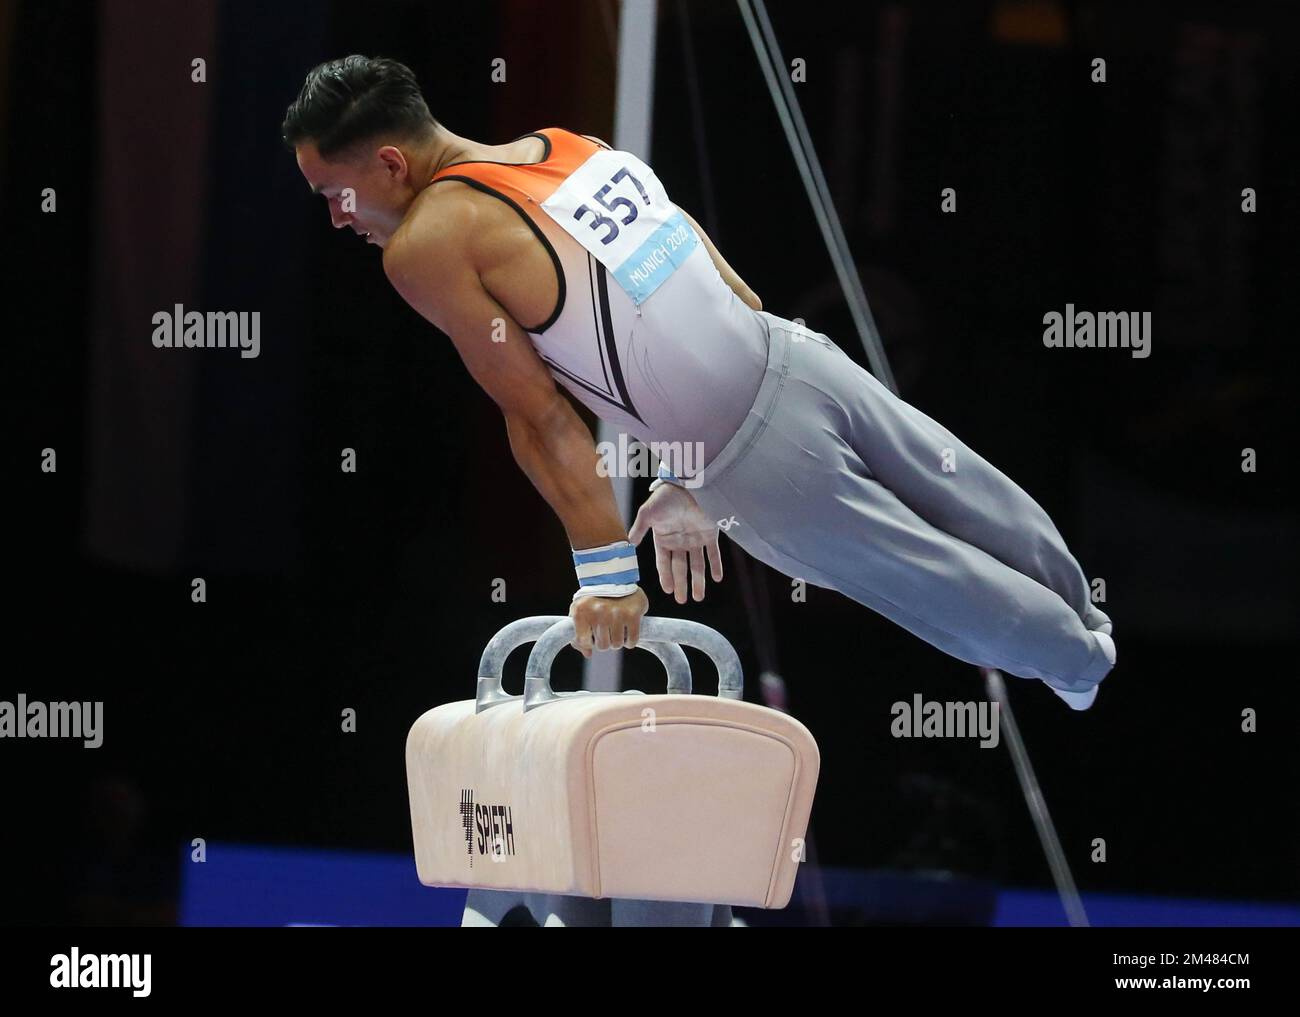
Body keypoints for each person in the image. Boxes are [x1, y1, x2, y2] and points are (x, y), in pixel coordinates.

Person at [283, 55, 1115, 710]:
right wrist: (679, 475)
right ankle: (1084, 620)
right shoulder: (570, 146)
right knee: (975, 496)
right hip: (796, 356)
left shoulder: (427, 244)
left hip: (760, 468)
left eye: (333, 193)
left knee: (933, 581)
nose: (336, 217)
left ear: (391, 162)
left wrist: (608, 575)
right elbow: (715, 280)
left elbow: (540, 418)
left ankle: (1081, 657)